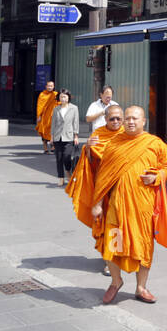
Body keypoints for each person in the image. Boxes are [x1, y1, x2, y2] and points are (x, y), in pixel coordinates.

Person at [88, 106, 167, 304]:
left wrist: (157, 176)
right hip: (116, 207)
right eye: (127, 118)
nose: (130, 122)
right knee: (111, 244)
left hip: (143, 207)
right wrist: (97, 204)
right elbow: (102, 177)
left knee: (143, 246)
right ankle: (115, 281)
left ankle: (141, 287)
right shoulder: (113, 144)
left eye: (135, 118)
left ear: (143, 121)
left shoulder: (154, 144)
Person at [66, 101, 122, 276]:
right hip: (104, 188)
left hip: (122, 189)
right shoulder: (98, 135)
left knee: (119, 224)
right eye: (112, 119)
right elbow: (90, 162)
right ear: (105, 119)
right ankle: (109, 259)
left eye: (119, 118)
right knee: (107, 224)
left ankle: (117, 256)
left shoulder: (128, 135)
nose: (116, 122)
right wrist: (88, 149)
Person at [51, 89, 80, 183]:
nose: (62, 99)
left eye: (64, 96)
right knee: (59, 158)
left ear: (68, 97)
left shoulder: (74, 108)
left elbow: (75, 122)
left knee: (67, 156)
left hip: (68, 136)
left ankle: (68, 170)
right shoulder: (56, 109)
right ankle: (61, 178)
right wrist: (52, 136)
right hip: (57, 137)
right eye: (61, 97)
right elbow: (53, 124)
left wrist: (76, 136)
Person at [35, 79, 57, 153]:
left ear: (53, 87)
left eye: (51, 86)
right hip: (44, 117)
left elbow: (59, 103)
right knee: (44, 131)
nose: (50, 87)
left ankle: (53, 146)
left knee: (53, 131)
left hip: (52, 116)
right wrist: (39, 116)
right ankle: (45, 148)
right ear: (46, 86)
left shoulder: (55, 94)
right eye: (48, 86)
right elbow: (39, 106)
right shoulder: (42, 95)